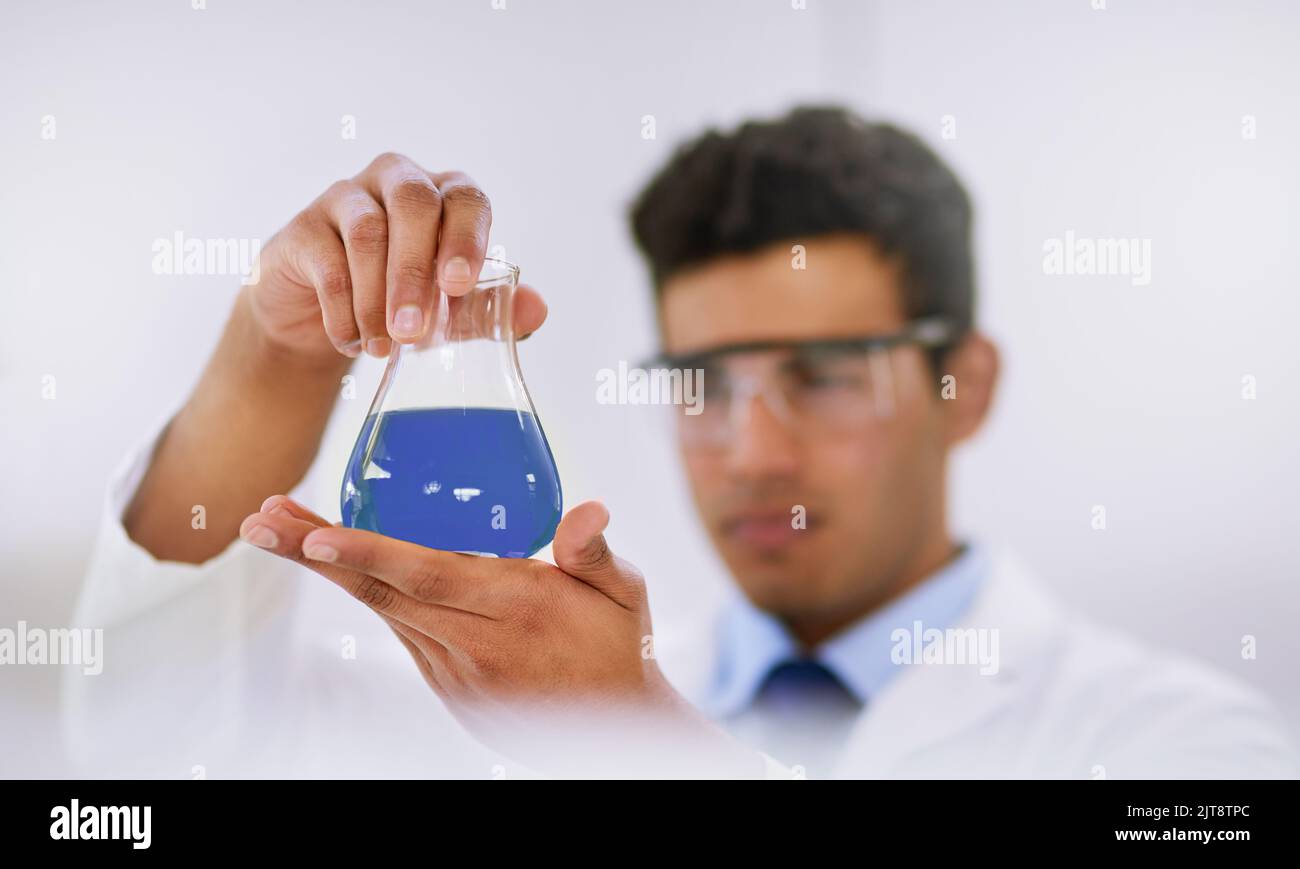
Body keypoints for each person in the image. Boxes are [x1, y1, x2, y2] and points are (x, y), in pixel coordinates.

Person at [65, 106, 1295, 779]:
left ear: (961, 387)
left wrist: (638, 735)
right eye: (701, 379)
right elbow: (148, 749)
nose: (750, 449)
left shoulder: (1182, 753)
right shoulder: (509, 693)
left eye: (822, 375)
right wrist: (278, 351)